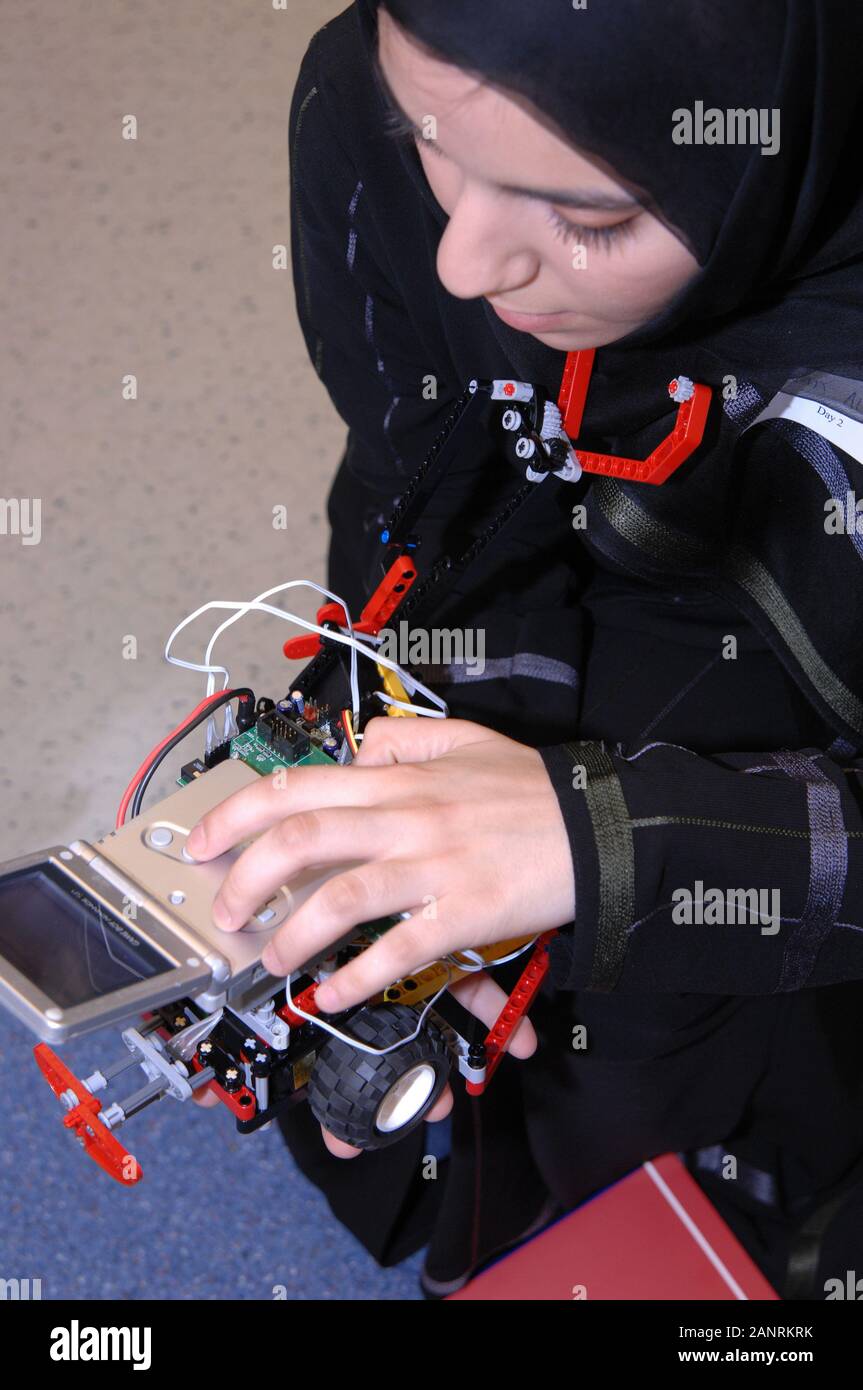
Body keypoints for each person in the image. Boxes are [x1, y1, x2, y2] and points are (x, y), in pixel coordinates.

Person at [188, 0, 863, 1297]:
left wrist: (606, 844)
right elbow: (425, 492)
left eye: (590, 219)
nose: (464, 261)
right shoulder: (368, 110)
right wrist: (438, 755)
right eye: (428, 140)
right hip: (607, 579)